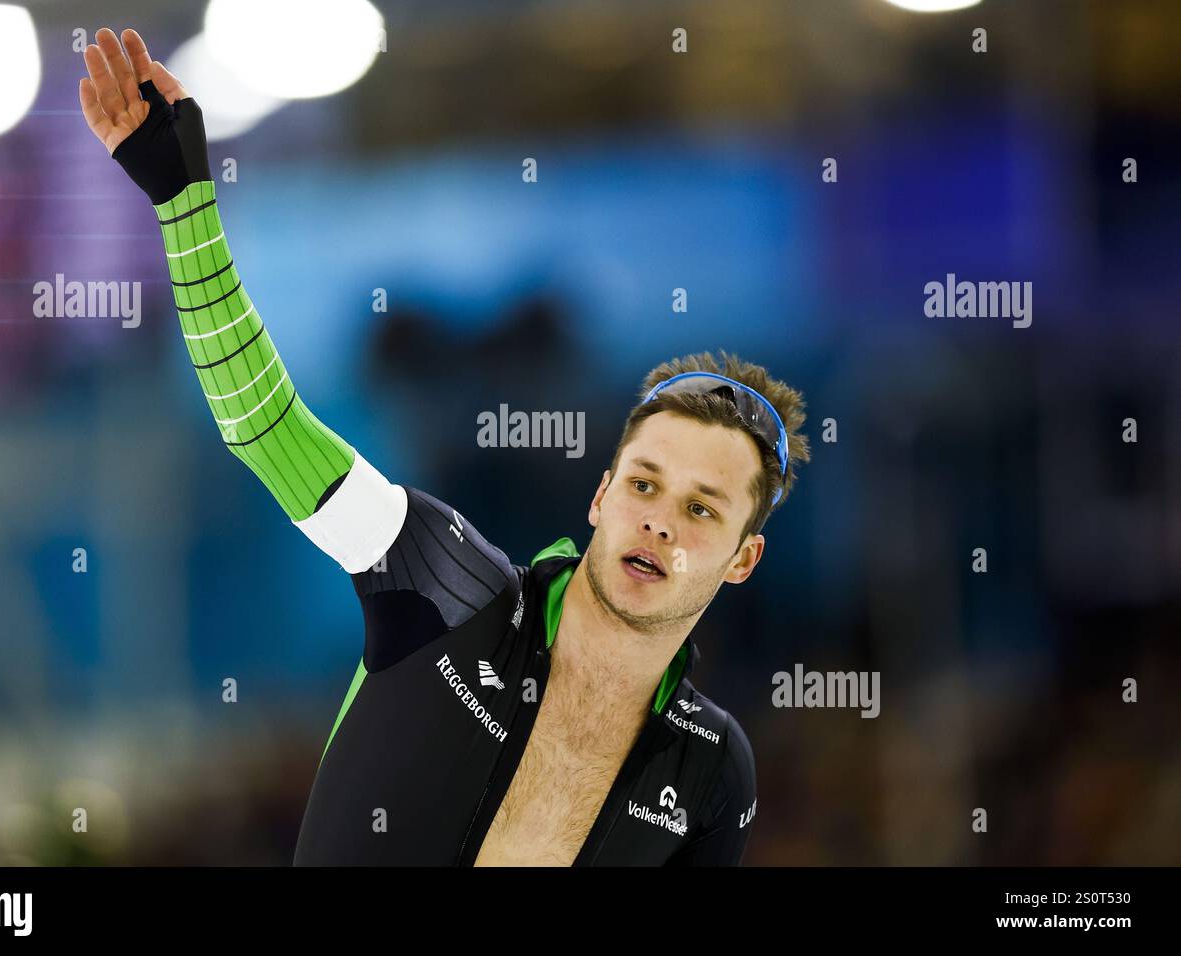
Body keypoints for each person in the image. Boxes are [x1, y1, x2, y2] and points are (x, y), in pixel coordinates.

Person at [79, 26, 811, 866]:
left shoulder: (712, 770)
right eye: (645, 486)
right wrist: (184, 203)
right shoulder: (443, 582)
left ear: (743, 558)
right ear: (602, 495)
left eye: (700, 508)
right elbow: (266, 427)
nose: (660, 524)